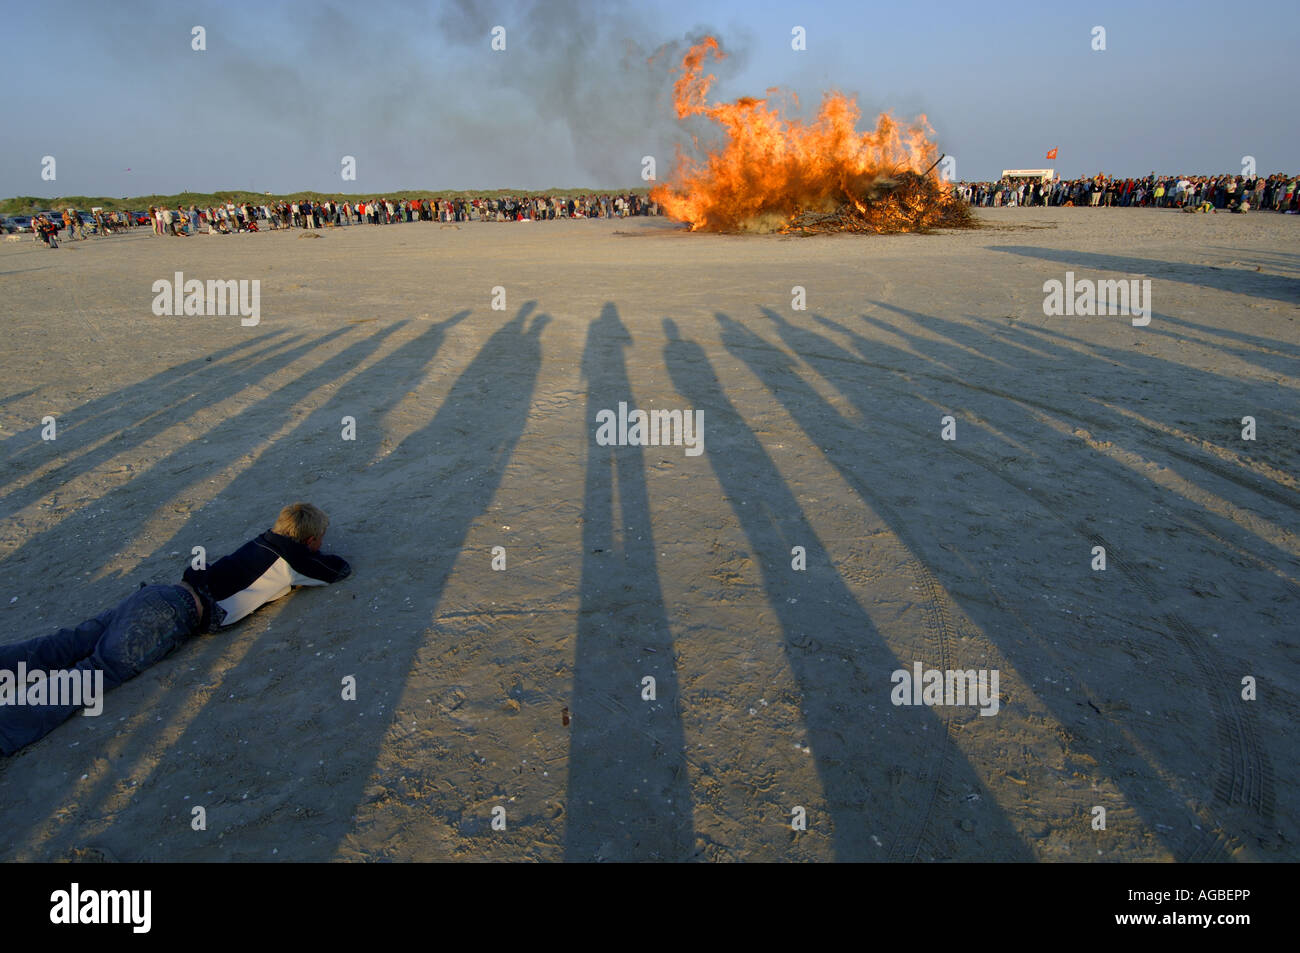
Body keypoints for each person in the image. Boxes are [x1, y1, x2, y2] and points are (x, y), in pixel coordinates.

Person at [0, 503, 351, 757]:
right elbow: (336, 571)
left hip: (159, 593)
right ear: (310, 542)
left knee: (67, 643)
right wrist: (310, 558)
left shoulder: (262, 541)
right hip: (173, 614)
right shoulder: (294, 562)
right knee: (95, 671)